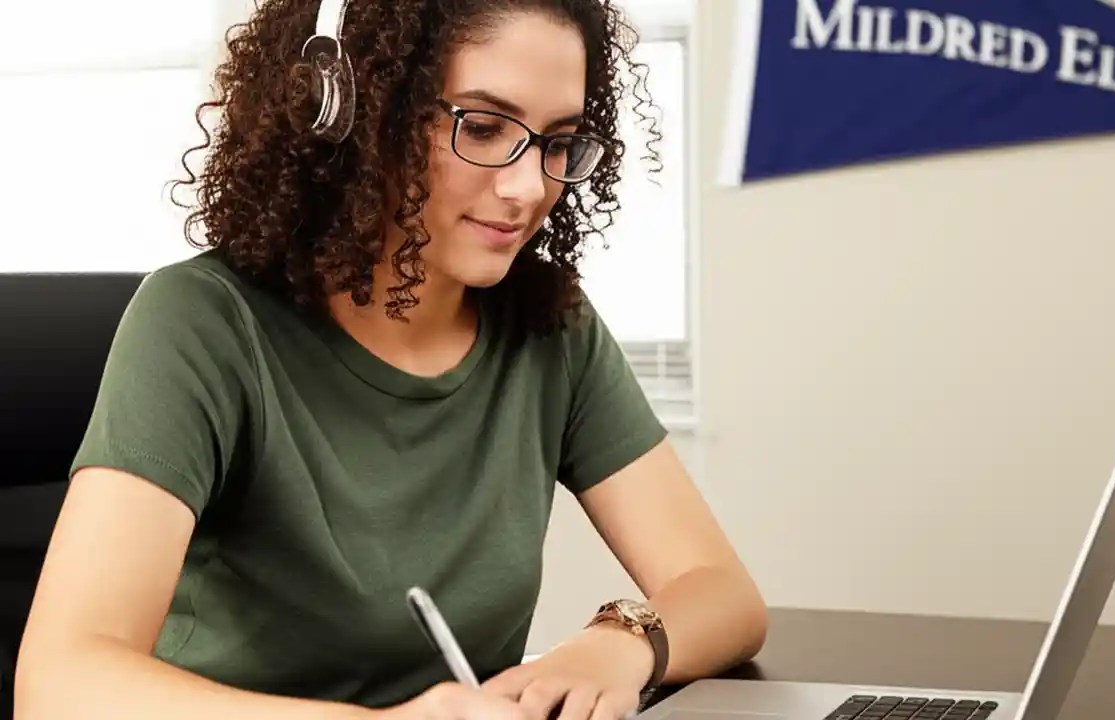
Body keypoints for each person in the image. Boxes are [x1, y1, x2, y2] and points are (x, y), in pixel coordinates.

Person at [13, 1, 768, 719]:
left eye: (557, 141)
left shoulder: (549, 329)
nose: (527, 186)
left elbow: (723, 593)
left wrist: (617, 644)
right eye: (483, 127)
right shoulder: (205, 324)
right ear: (354, 111)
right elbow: (57, 685)